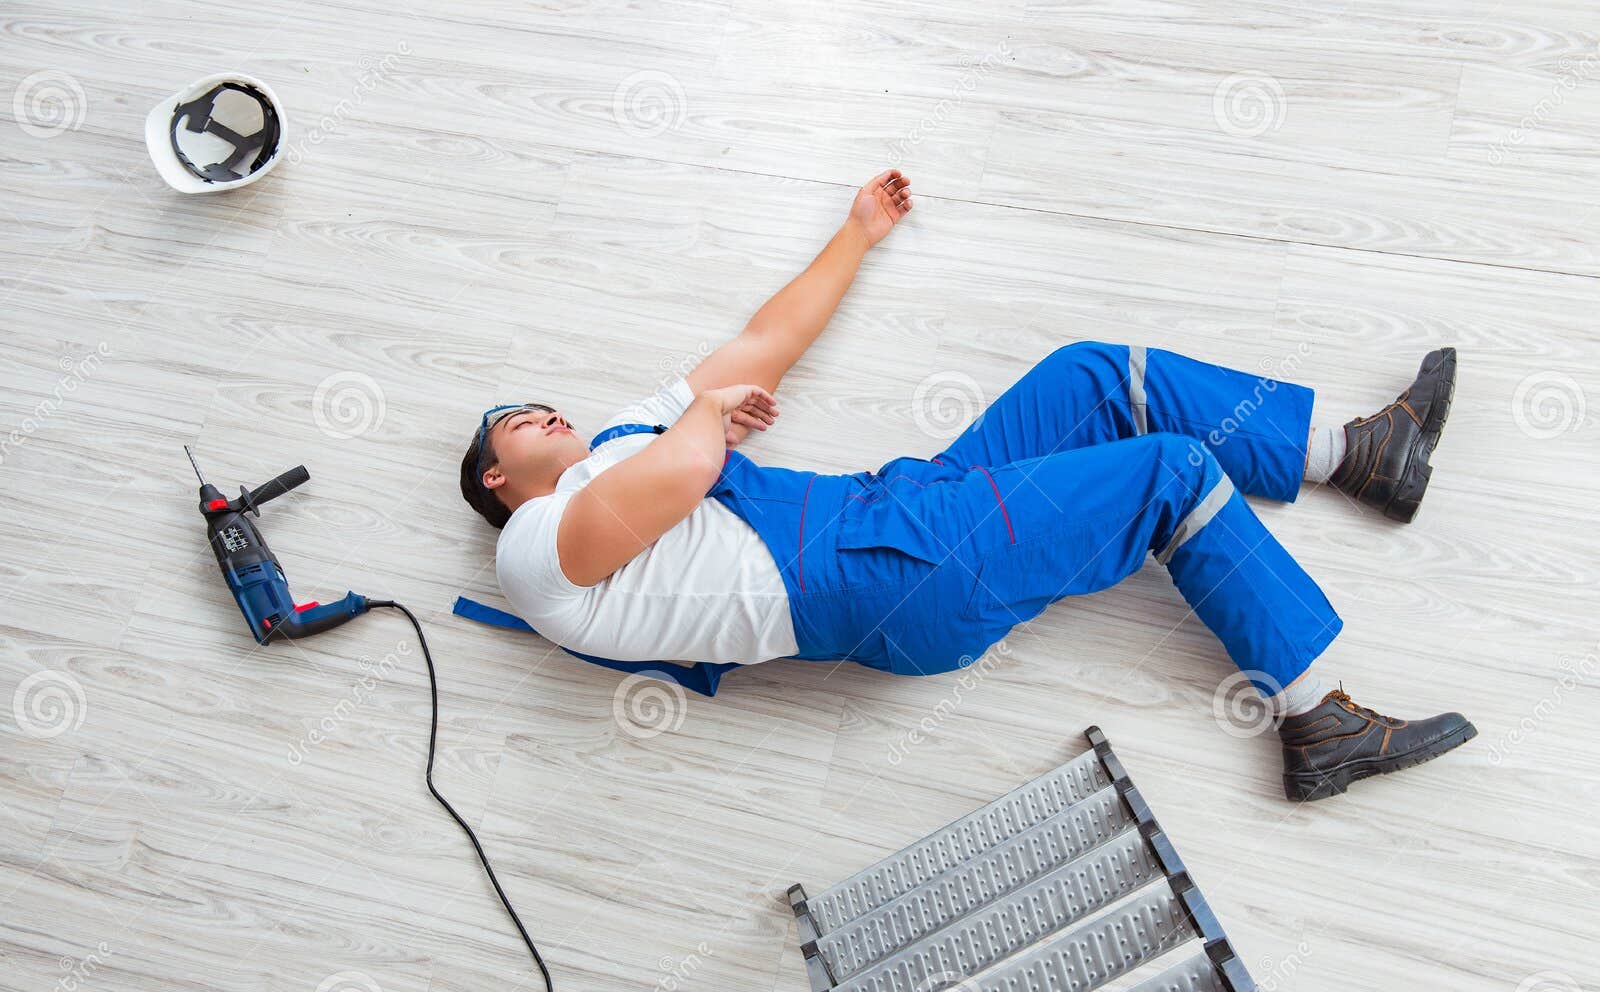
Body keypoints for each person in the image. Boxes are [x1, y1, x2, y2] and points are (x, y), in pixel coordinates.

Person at [459, 171, 1475, 802]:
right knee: (1170, 474)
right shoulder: (529, 553)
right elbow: (682, 471)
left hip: (892, 509)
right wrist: (706, 420)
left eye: (546, 402)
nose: (543, 411)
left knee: (1089, 375)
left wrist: (857, 232)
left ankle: (1355, 455)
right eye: (516, 418)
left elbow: (763, 344)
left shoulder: (629, 432)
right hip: (877, 580)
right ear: (500, 477)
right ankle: (1316, 718)